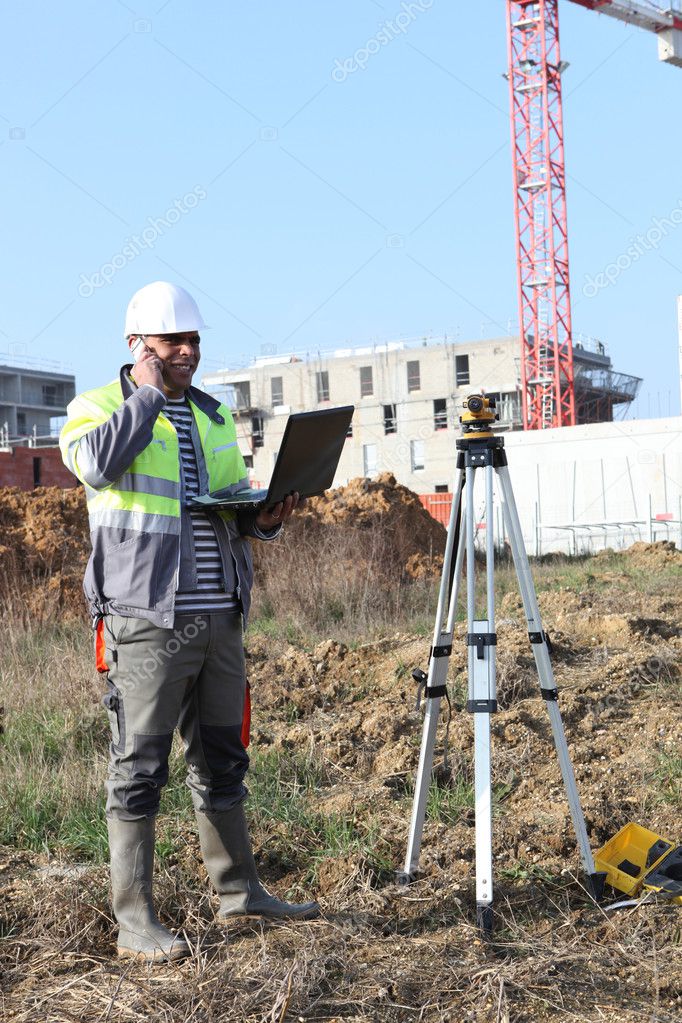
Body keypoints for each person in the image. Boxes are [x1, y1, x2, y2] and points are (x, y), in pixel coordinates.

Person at [60, 281, 319, 963]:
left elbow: (225, 504)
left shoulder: (210, 416)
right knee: (139, 766)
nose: (188, 352)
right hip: (145, 620)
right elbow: (94, 465)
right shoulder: (95, 410)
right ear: (137, 346)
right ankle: (134, 921)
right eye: (173, 341)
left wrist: (261, 518)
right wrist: (146, 396)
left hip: (218, 614)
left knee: (223, 757)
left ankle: (240, 894)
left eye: (194, 340)